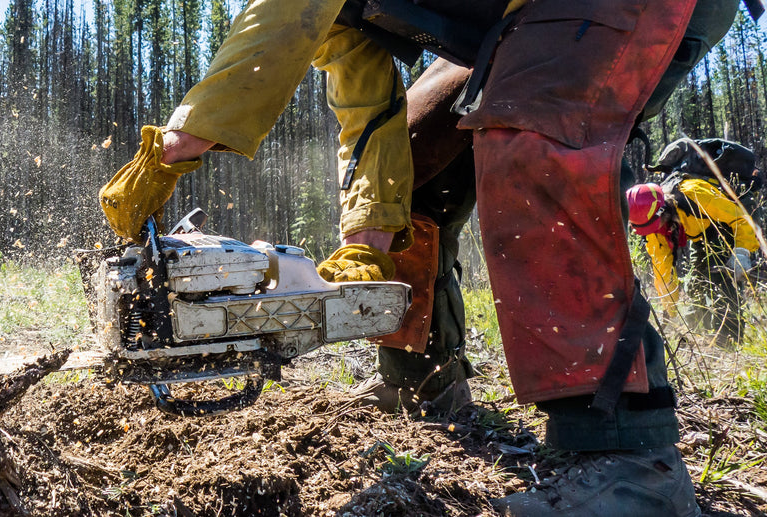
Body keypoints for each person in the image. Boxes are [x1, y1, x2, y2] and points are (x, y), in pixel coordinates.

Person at [97, 0, 751, 514]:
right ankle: (423, 385)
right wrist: (368, 241)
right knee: (417, 149)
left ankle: (632, 461)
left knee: (531, 125)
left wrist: (180, 138)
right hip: (515, 20)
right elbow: (368, 117)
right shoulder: (347, 16)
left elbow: (278, 21)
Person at [626, 171, 759, 348]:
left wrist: (742, 252)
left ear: (662, 211)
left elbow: (741, 218)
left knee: (723, 284)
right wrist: (670, 312)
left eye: (653, 226)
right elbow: (663, 270)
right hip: (702, 236)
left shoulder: (694, 194)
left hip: (731, 226)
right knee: (696, 283)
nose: (653, 231)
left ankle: (729, 344)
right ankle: (699, 337)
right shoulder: (654, 229)